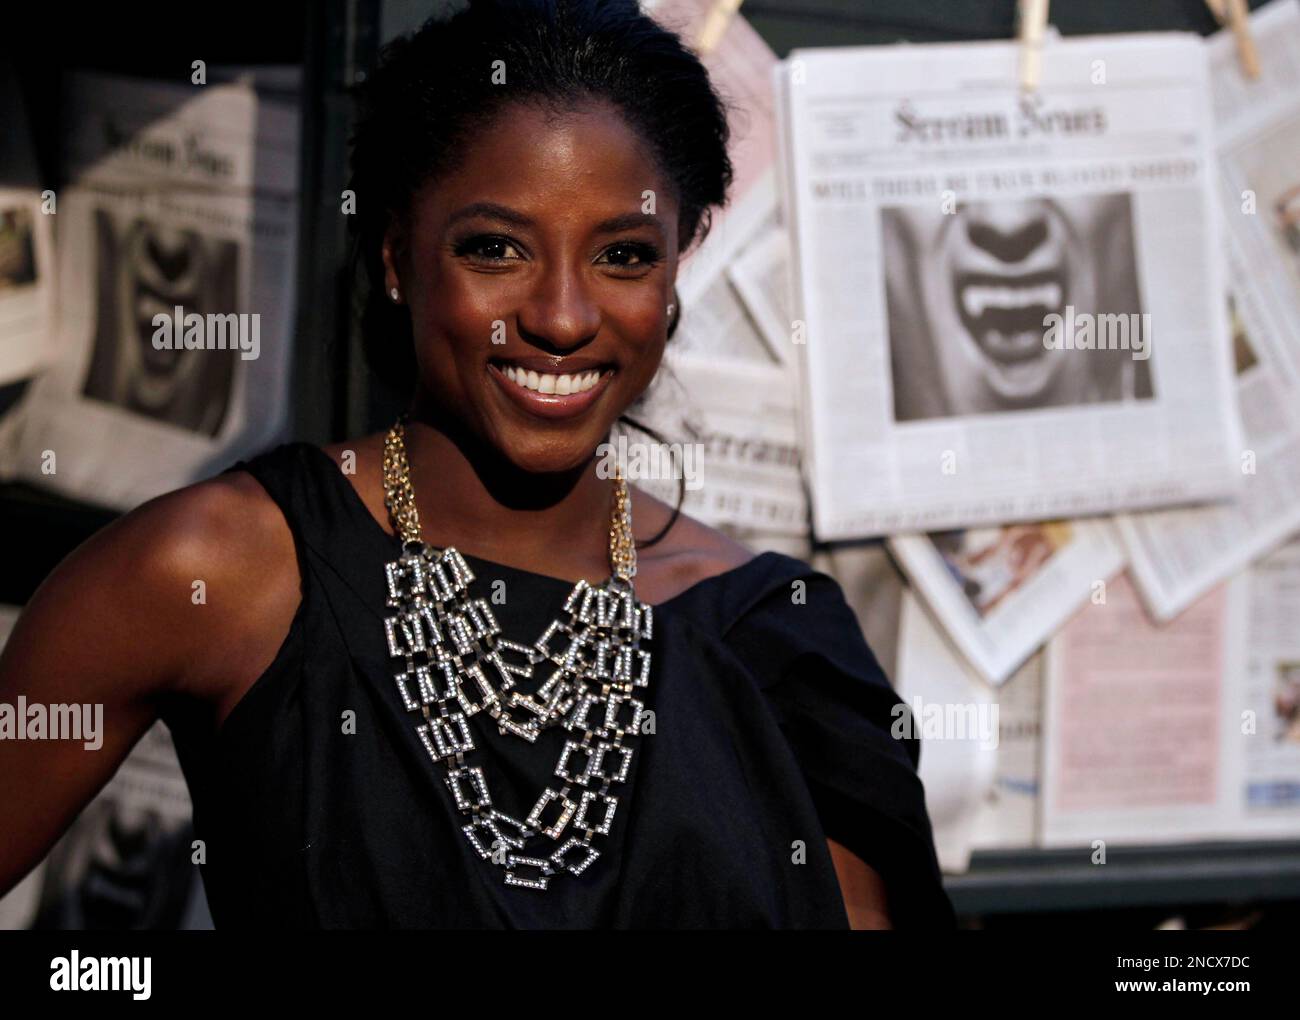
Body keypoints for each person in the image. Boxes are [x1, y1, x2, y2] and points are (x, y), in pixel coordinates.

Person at [0, 0, 953, 929]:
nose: (564, 317)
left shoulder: (775, 646)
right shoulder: (218, 571)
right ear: (396, 257)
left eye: (623, 256)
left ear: (675, 272)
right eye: (495, 249)